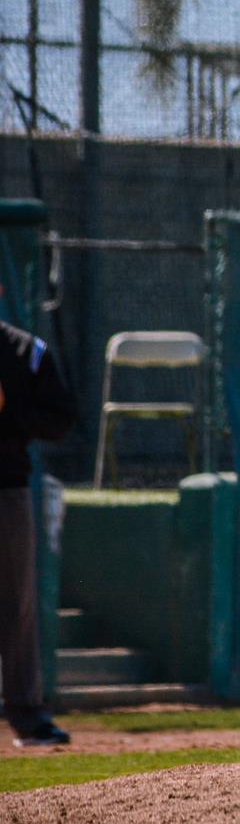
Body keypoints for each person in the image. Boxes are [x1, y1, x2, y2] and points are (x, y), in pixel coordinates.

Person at [1, 317, 73, 748]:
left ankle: (28, 715)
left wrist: (9, 407)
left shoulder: (24, 350)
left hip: (5, 486)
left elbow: (61, 419)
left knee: (17, 603)